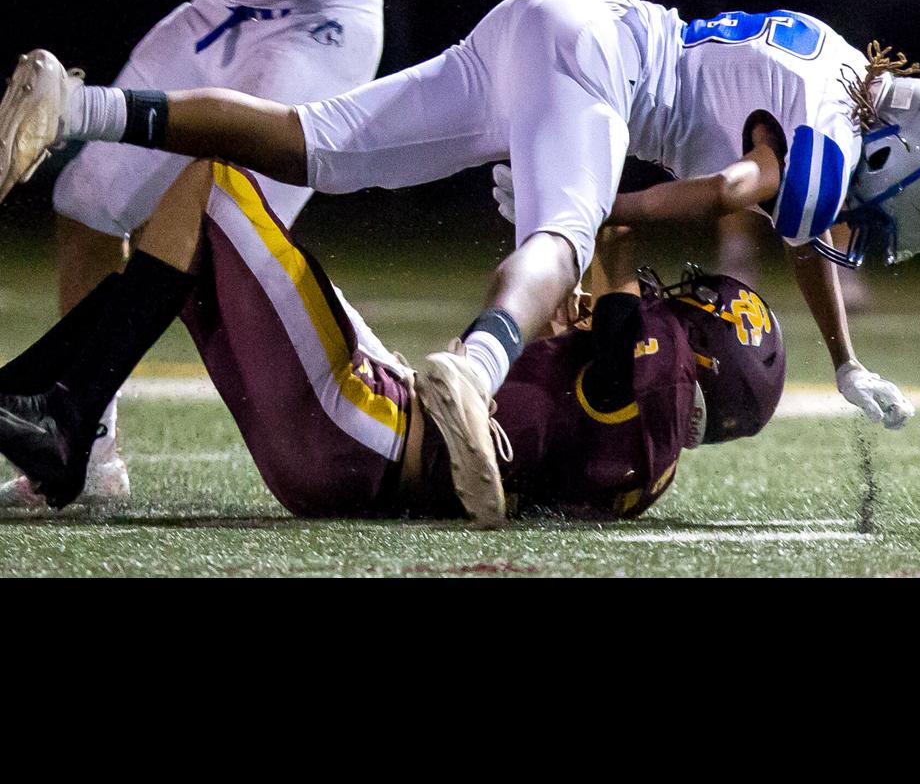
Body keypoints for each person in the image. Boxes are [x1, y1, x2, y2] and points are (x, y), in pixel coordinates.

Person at [0, 0, 920, 528]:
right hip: (599, 61)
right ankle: (474, 364)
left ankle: (82, 104)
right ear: (894, 155)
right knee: (564, 231)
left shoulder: (838, 72)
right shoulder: (827, 135)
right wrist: (625, 208)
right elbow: (743, 188)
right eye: (876, 216)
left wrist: (845, 359)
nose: (856, 234)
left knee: (319, 147)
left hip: (546, 17)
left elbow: (791, 217)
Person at [0, 161, 785, 523]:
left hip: (371, 430)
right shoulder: (644, 466)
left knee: (211, 181)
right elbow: (558, 405)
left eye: (687, 306)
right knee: (196, 248)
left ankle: (65, 421)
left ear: (708, 348)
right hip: (375, 452)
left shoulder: (660, 371)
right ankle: (43, 402)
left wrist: (608, 226)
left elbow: (620, 337)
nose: (664, 303)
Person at [0, 0, 383, 508]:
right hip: (223, 12)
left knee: (211, 221)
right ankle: (91, 451)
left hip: (316, 25)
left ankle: (56, 414)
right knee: (86, 200)